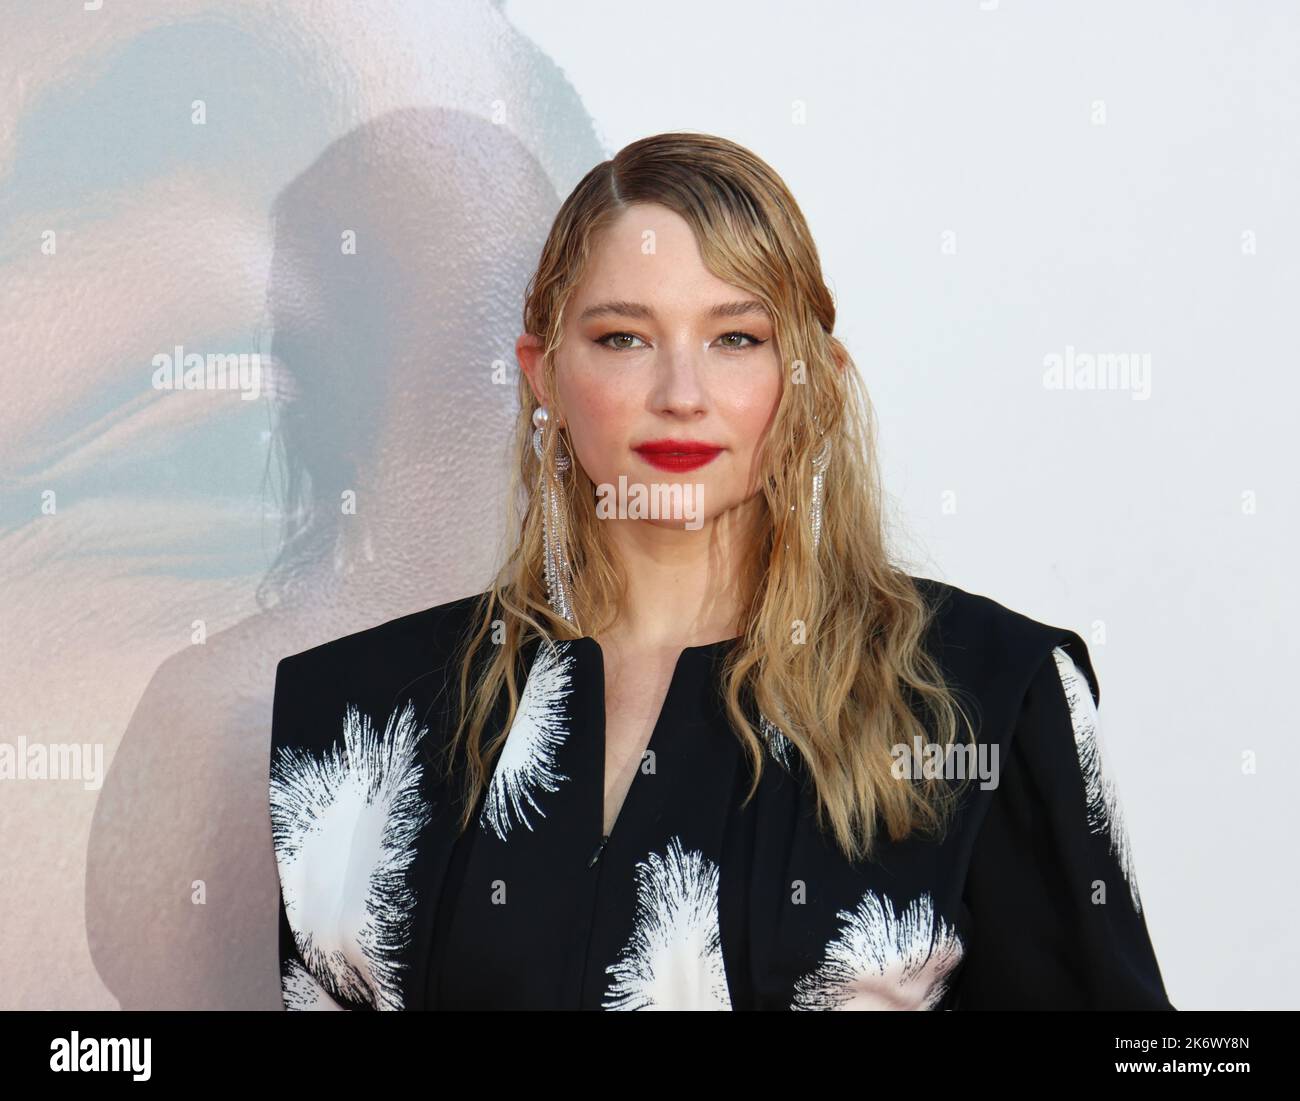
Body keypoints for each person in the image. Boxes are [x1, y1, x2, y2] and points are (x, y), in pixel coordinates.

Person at [267, 131, 1176, 1011]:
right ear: (544, 375)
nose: (681, 395)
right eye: (624, 337)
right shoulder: (359, 716)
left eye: (735, 337)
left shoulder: (982, 693)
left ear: (812, 374)